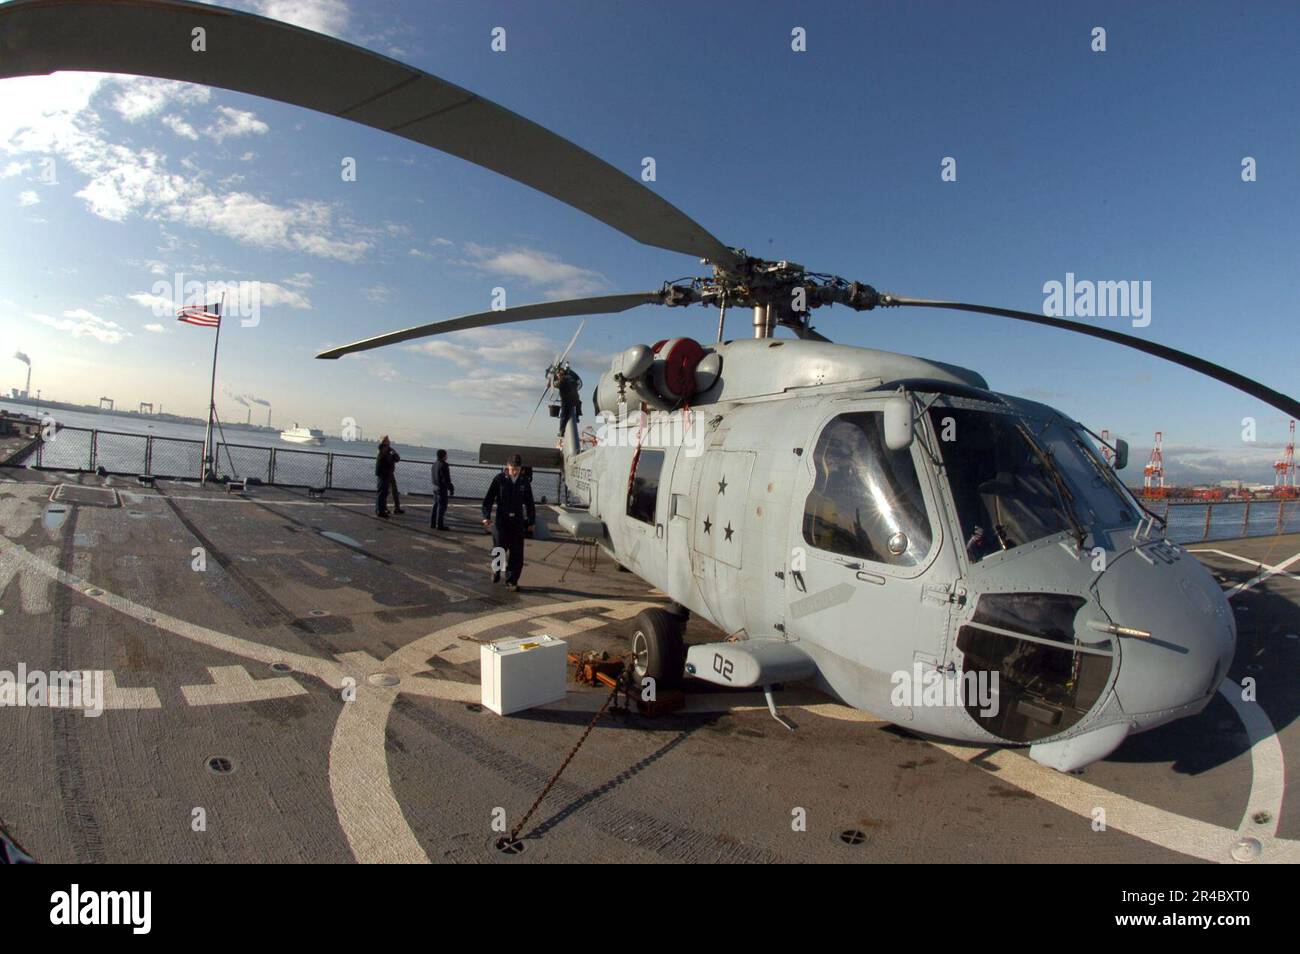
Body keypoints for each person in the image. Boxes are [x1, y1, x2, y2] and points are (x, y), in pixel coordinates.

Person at [481, 453, 535, 590]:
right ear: (507, 466)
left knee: (517, 553)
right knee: (499, 548)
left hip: (517, 521)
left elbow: (530, 503)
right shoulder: (499, 479)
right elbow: (488, 499)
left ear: (521, 468)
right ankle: (496, 570)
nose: (514, 471)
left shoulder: (524, 482)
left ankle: (511, 581)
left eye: (517, 468)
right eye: (512, 468)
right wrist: (486, 516)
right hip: (502, 521)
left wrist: (531, 522)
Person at [553, 364, 582, 440]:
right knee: (574, 411)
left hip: (566, 401)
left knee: (564, 416)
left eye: (559, 374)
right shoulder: (571, 378)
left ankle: (561, 432)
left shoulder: (562, 380)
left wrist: (553, 379)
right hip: (576, 401)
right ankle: (577, 417)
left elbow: (556, 384)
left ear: (561, 374)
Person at [375, 436, 397, 518]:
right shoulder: (384, 452)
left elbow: (396, 458)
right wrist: (392, 455)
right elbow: (388, 461)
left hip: (384, 474)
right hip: (384, 474)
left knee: (382, 493)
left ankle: (380, 509)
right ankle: (380, 511)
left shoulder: (384, 451)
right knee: (382, 493)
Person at [431, 449, 454, 530]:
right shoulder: (444, 465)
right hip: (441, 488)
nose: (447, 456)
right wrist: (451, 488)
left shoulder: (434, 464)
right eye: (446, 455)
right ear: (444, 456)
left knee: (435, 505)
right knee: (442, 507)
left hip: (435, 487)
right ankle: (440, 525)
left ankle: (433, 523)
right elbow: (446, 478)